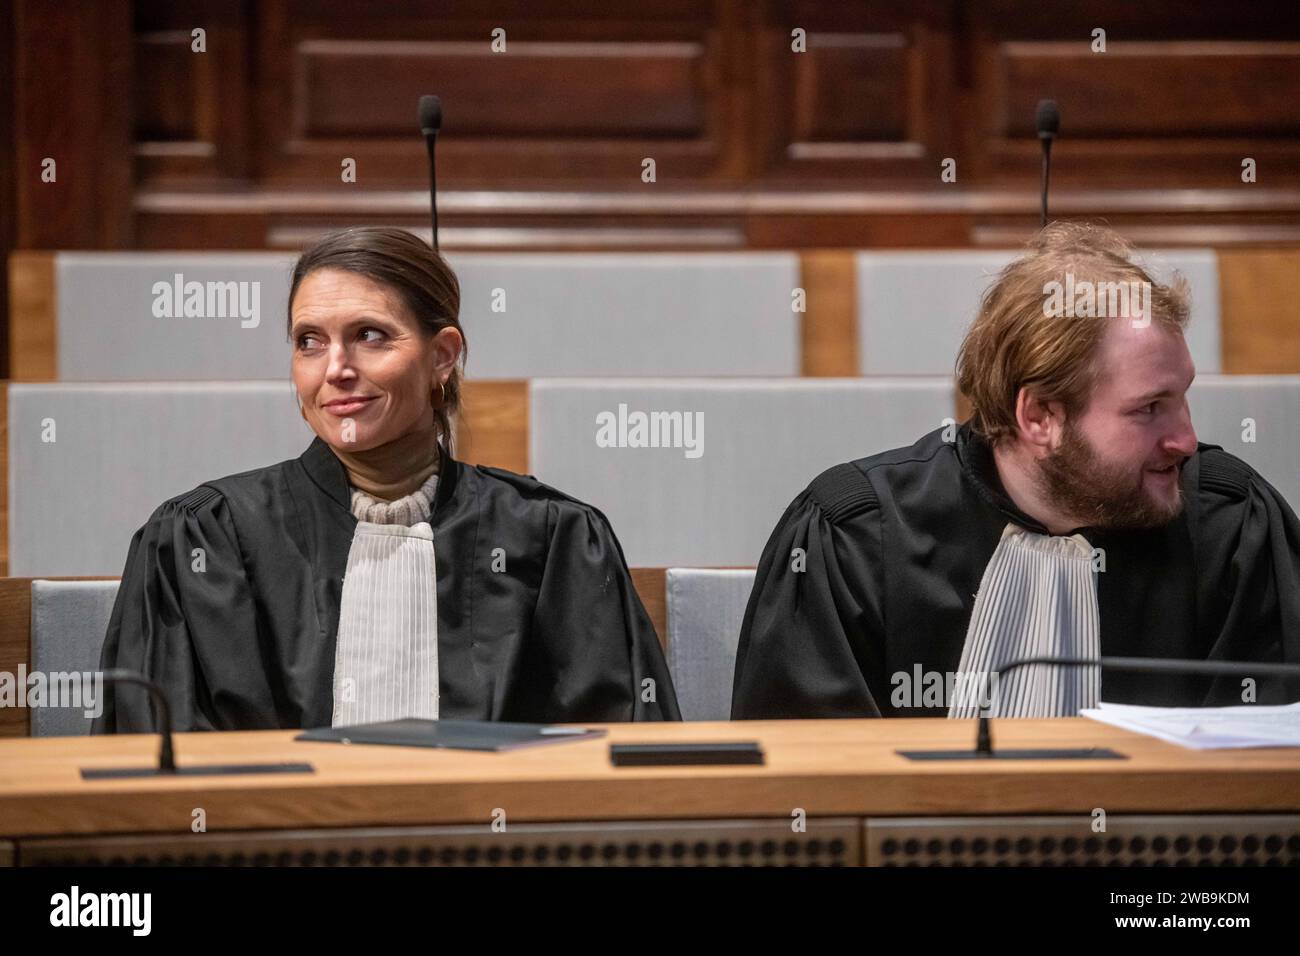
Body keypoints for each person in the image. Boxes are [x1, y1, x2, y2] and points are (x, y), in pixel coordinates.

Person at [95, 226, 680, 732]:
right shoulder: (203, 542)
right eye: (309, 342)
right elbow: (154, 786)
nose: (337, 369)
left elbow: (620, 770)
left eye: (370, 335)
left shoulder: (554, 540)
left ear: (442, 355)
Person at [732, 222, 1300, 719]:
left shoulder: (1232, 531)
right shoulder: (853, 542)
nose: (1186, 439)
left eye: (1183, 397)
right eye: (1149, 409)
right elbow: (805, 801)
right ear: (1040, 417)